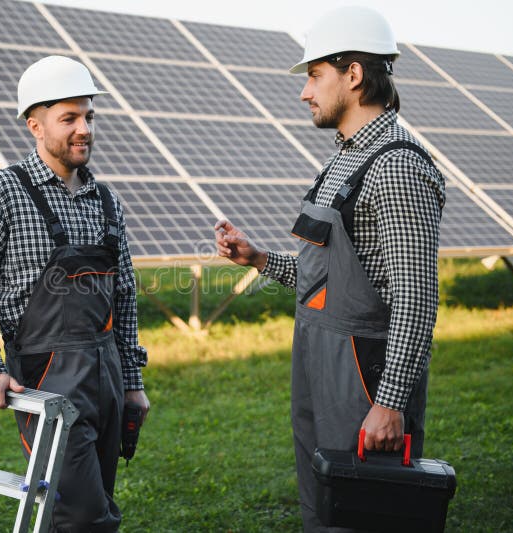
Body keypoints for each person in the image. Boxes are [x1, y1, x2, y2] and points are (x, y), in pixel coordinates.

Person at [215, 7, 445, 531]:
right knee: (324, 509)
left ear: (354, 75)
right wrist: (258, 259)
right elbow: (328, 280)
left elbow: (416, 298)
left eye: (315, 75)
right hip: (318, 363)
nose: (305, 92)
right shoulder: (343, 159)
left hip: (363, 376)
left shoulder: (398, 166)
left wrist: (389, 404)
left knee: (368, 517)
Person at [0, 55, 150, 532]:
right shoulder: (0, 192)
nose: (85, 129)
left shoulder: (105, 201)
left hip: (106, 375)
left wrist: (132, 381)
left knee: (97, 499)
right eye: (69, 118)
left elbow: (123, 296)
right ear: (35, 126)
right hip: (45, 380)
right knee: (80, 514)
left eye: (89, 116)